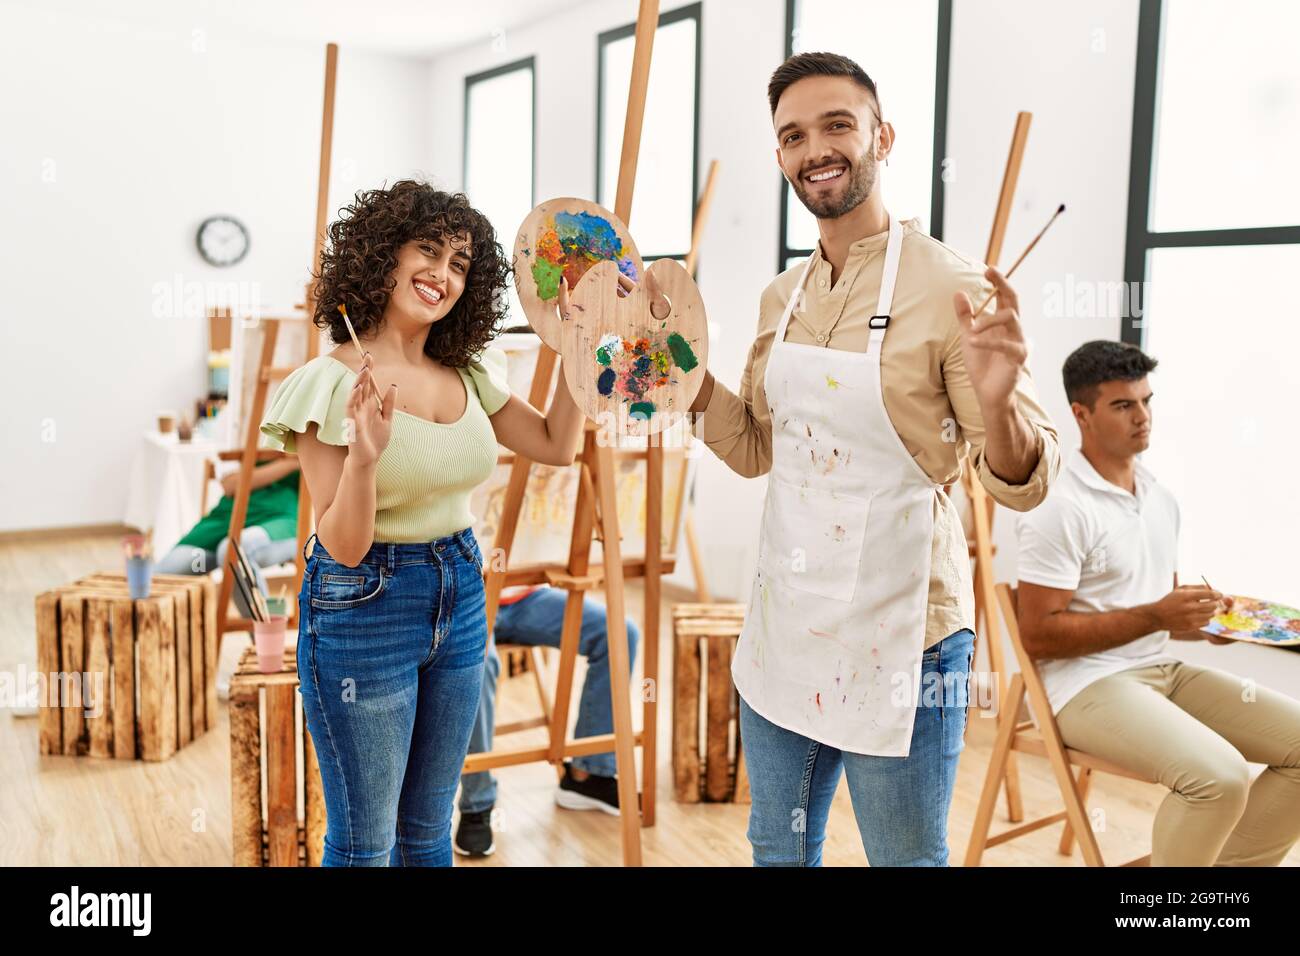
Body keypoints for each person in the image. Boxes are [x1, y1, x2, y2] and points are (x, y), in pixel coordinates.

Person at [677, 52, 1061, 866]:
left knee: (904, 858)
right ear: (780, 156)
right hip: (788, 622)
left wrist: (995, 401)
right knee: (778, 850)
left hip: (907, 638)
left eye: (837, 125)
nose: (816, 147)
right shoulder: (783, 299)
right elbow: (753, 450)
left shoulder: (952, 288)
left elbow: (1024, 485)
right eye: (793, 135)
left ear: (882, 136)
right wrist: (684, 380)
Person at [259, 181, 585, 867]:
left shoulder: (467, 371)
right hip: (363, 602)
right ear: (383, 256)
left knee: (428, 831)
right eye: (428, 251)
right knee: (364, 843)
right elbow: (341, 546)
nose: (442, 274)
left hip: (461, 592)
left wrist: (579, 343)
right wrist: (364, 460)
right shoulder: (330, 381)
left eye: (460, 263)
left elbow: (557, 443)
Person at [1016, 339, 1300, 866]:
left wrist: (1205, 623)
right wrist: (1156, 616)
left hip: (1159, 668)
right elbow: (1038, 635)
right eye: (1124, 405)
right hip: (1083, 685)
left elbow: (1154, 611)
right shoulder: (1059, 506)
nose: (1142, 417)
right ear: (1081, 414)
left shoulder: (1158, 497)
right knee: (1218, 776)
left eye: (1147, 401)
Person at [454, 585, 641, 857]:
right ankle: (477, 804)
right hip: (466, 593)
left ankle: (588, 775)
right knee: (477, 664)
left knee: (620, 634)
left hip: (525, 594)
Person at [154, 457, 300, 621]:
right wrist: (288, 464)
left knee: (232, 550)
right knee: (158, 577)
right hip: (224, 520)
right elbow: (231, 484)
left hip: (278, 520)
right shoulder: (242, 433)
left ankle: (265, 638)